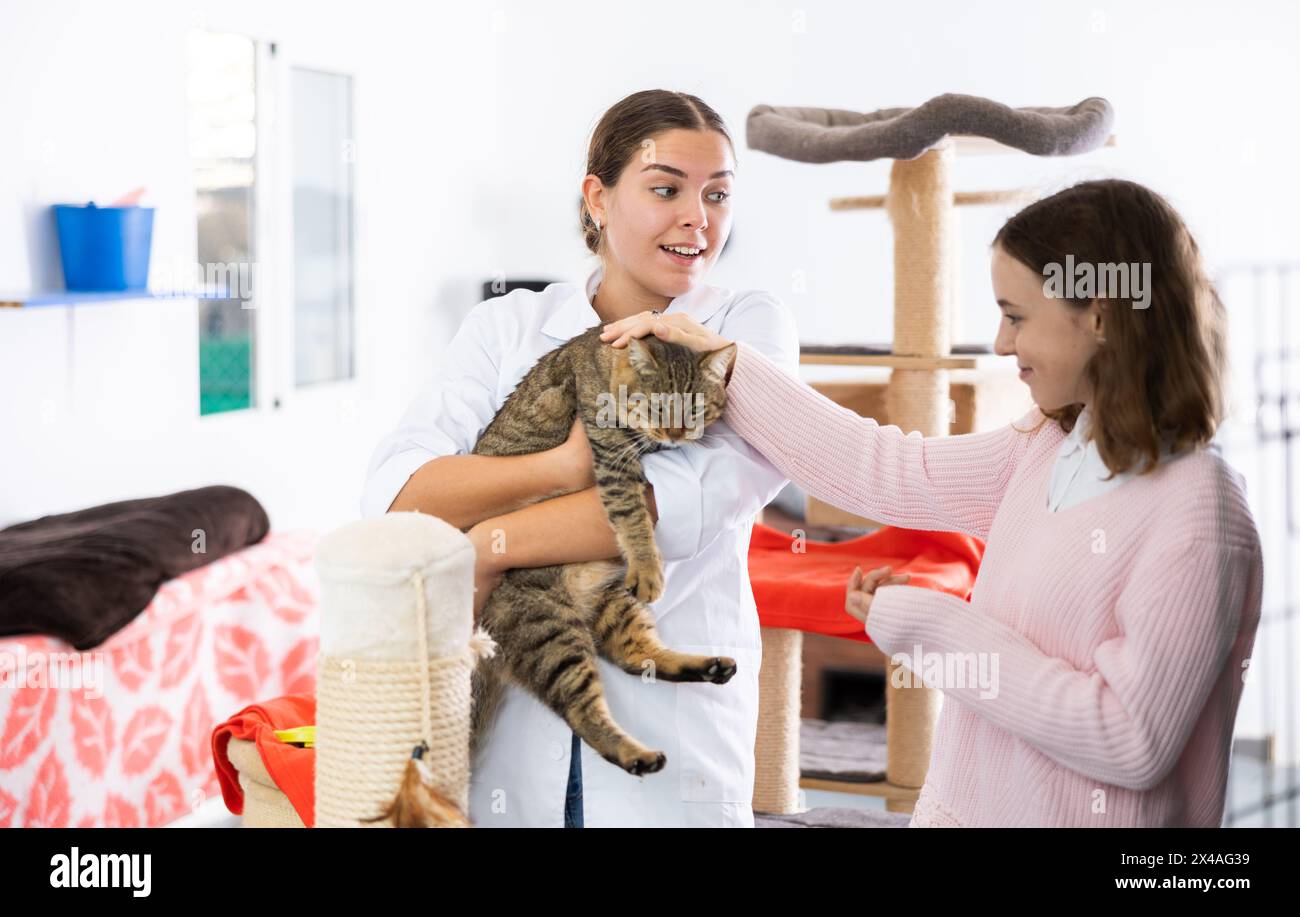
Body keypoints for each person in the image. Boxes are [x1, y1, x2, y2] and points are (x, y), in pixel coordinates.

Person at [600, 178, 1265, 828]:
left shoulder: (1200, 515)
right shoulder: (1050, 443)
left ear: (1099, 316)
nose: (1002, 344)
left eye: (1015, 317)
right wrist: (729, 362)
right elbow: (885, 468)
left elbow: (1129, 740)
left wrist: (933, 629)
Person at [360, 89, 800, 827]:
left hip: (668, 745)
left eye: (718, 195)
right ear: (597, 198)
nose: (700, 218)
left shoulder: (745, 326)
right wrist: (559, 469)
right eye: (667, 190)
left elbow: (668, 509)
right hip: (506, 745)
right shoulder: (507, 325)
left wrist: (484, 544)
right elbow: (402, 498)